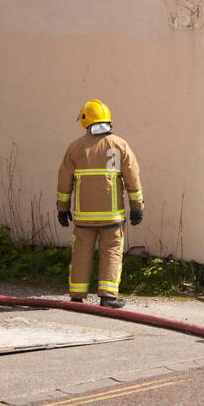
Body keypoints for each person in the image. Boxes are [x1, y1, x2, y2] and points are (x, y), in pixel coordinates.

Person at [57, 99, 143, 308]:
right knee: (112, 253)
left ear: (85, 121)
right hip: (112, 216)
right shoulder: (120, 145)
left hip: (84, 216)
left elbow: (64, 180)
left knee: (81, 254)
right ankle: (108, 297)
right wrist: (137, 207)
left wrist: (62, 209)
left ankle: (77, 296)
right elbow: (132, 178)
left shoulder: (75, 148)